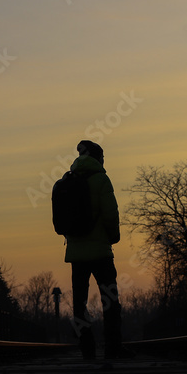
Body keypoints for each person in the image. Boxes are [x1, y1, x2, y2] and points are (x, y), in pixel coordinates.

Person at [62, 140, 134, 360]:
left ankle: (87, 349)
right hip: (101, 252)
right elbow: (111, 213)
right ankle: (113, 347)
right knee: (110, 300)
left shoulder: (69, 180)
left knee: (79, 303)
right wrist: (113, 237)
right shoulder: (101, 179)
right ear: (97, 158)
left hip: (76, 253)